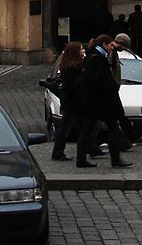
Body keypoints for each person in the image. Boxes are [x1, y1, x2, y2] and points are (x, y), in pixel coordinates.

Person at [75, 34, 133, 169]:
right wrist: (109, 87)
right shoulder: (96, 59)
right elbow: (95, 80)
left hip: (96, 100)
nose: (112, 48)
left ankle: (84, 158)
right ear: (104, 45)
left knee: (90, 128)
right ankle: (114, 159)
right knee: (107, 127)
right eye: (110, 46)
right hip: (100, 100)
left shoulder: (96, 57)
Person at [50, 41, 85, 161]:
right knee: (66, 129)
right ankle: (58, 153)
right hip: (72, 103)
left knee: (82, 126)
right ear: (75, 52)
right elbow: (73, 86)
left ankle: (92, 148)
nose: (83, 51)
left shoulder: (71, 66)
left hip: (72, 103)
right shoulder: (71, 68)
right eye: (81, 49)